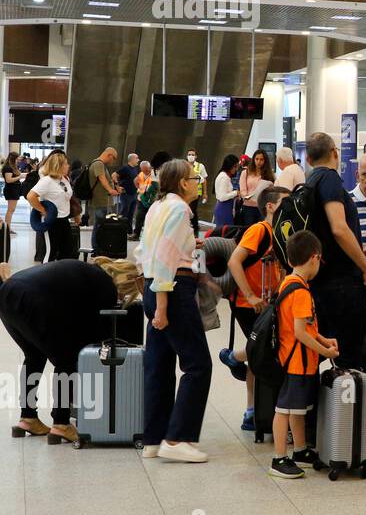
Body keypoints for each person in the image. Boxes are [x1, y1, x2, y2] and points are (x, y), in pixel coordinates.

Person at [2, 258, 127, 445]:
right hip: (31, 300)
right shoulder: (106, 285)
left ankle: (28, 418)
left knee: (34, 356)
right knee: (66, 360)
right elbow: (96, 329)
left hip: (7, 294)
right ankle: (61, 423)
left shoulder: (88, 271)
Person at [136, 159, 211, 463]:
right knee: (198, 365)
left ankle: (153, 439)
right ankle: (178, 437)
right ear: (182, 182)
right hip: (172, 291)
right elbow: (167, 258)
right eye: (194, 178)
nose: (197, 182)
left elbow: (144, 252)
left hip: (156, 289)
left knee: (159, 364)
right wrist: (164, 305)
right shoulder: (180, 210)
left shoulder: (157, 207)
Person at [268, 230, 337, 479]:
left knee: (298, 409)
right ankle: (279, 457)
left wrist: (322, 339)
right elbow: (300, 333)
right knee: (284, 410)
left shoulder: (290, 283)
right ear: (315, 258)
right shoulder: (301, 292)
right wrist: (325, 351)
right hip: (297, 361)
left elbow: (306, 327)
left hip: (297, 360)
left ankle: (299, 450)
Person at [218, 186, 288, 430]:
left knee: (260, 353)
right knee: (259, 353)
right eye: (285, 203)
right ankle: (250, 411)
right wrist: (249, 294)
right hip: (248, 304)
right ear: (270, 206)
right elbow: (234, 261)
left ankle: (235, 359)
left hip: (268, 303)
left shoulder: (281, 232)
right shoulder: (259, 230)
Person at [304, 132, 366, 368]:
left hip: (320, 279)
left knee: (320, 349)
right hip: (341, 283)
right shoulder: (330, 179)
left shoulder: (311, 181)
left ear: (308, 158)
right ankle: (347, 404)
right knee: (348, 355)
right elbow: (339, 228)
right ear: (335, 152)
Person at [27, 151, 77, 262]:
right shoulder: (46, 181)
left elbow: (67, 198)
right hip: (52, 222)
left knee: (67, 251)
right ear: (58, 166)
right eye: (65, 164)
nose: (68, 166)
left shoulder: (65, 179)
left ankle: (61, 276)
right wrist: (43, 210)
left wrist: (75, 215)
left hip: (64, 219)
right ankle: (46, 277)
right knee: (50, 252)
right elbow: (31, 196)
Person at [87, 147, 122, 229]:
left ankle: (99, 241)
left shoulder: (99, 164)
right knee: (99, 226)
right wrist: (111, 190)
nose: (113, 161)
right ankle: (96, 242)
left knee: (100, 225)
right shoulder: (98, 164)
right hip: (100, 200)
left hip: (103, 200)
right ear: (109, 155)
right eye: (114, 158)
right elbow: (102, 178)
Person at [238, 148, 274, 226]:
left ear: (265, 161)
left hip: (263, 208)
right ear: (253, 159)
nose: (259, 162)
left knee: (262, 230)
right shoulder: (245, 172)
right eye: (257, 159)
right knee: (250, 231)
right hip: (248, 207)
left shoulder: (269, 174)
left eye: (261, 159)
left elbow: (272, 191)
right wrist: (247, 196)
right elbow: (242, 190)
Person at [211, 155, 241, 228]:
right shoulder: (224, 177)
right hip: (223, 209)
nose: (236, 169)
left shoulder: (223, 175)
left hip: (225, 209)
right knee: (225, 233)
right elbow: (222, 197)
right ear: (230, 166)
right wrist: (235, 193)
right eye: (235, 167)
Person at [115, 153, 141, 231]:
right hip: (126, 195)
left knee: (131, 214)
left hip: (134, 194)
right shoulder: (125, 168)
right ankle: (119, 230)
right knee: (124, 213)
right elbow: (114, 175)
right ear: (132, 159)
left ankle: (129, 231)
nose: (138, 160)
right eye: (137, 158)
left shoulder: (135, 169)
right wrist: (117, 187)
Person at [132, 160, 157, 240]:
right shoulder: (141, 174)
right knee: (139, 217)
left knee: (151, 219)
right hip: (142, 199)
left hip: (151, 200)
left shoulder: (155, 174)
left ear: (150, 168)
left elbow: (157, 187)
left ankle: (150, 237)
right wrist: (138, 188)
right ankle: (136, 234)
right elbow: (135, 180)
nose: (145, 172)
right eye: (143, 170)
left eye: (146, 170)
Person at [1, 152, 20, 246]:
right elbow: (8, 180)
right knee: (10, 210)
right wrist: (20, 177)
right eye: (17, 158)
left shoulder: (11, 167)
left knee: (11, 210)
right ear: (14, 158)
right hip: (11, 190)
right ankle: (7, 228)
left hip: (14, 190)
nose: (18, 160)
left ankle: (8, 227)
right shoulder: (8, 167)